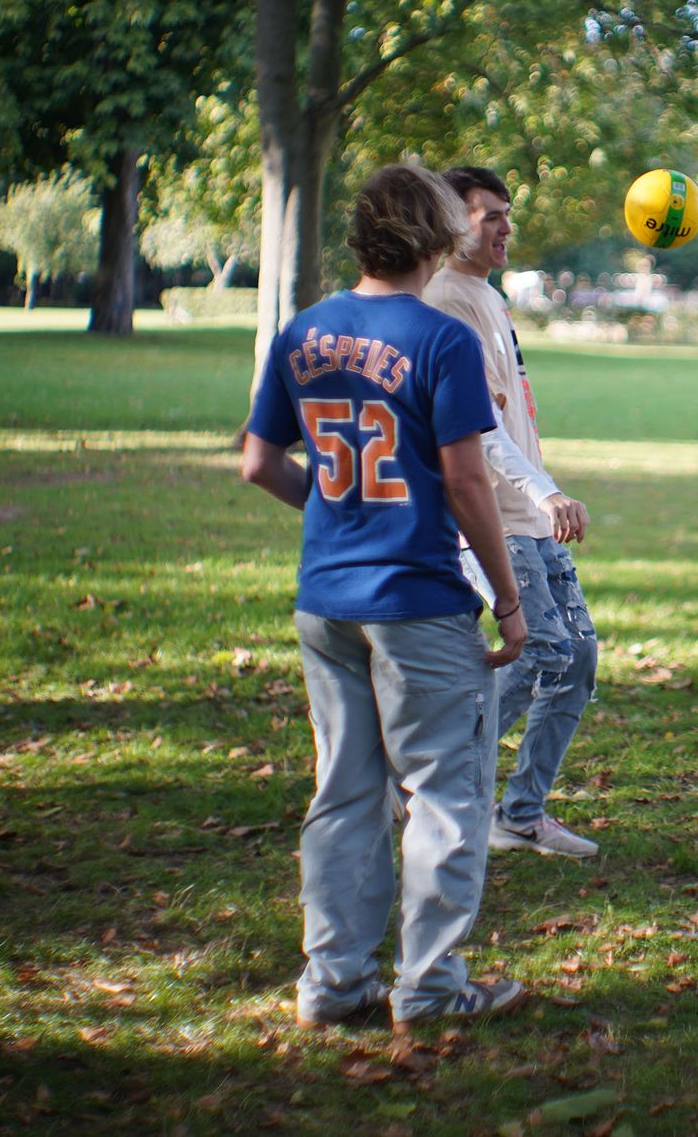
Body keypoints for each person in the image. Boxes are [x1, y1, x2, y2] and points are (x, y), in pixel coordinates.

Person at [241, 162, 532, 1030]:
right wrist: (509, 601)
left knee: (344, 789)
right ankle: (431, 987)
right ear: (436, 235)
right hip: (418, 599)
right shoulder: (441, 337)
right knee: (445, 792)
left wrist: (335, 509)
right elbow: (467, 483)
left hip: (327, 597)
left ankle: (334, 981)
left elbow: (258, 462)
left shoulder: (303, 330)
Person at [423, 165, 600, 860]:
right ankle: (430, 766)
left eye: (506, 213)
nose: (505, 227)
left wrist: (546, 489)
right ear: (451, 222)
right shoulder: (446, 300)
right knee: (544, 649)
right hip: (493, 514)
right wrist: (542, 492)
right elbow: (480, 430)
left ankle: (520, 814)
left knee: (577, 657)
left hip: (530, 510)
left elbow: (512, 417)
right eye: (489, 215)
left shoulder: (486, 296)